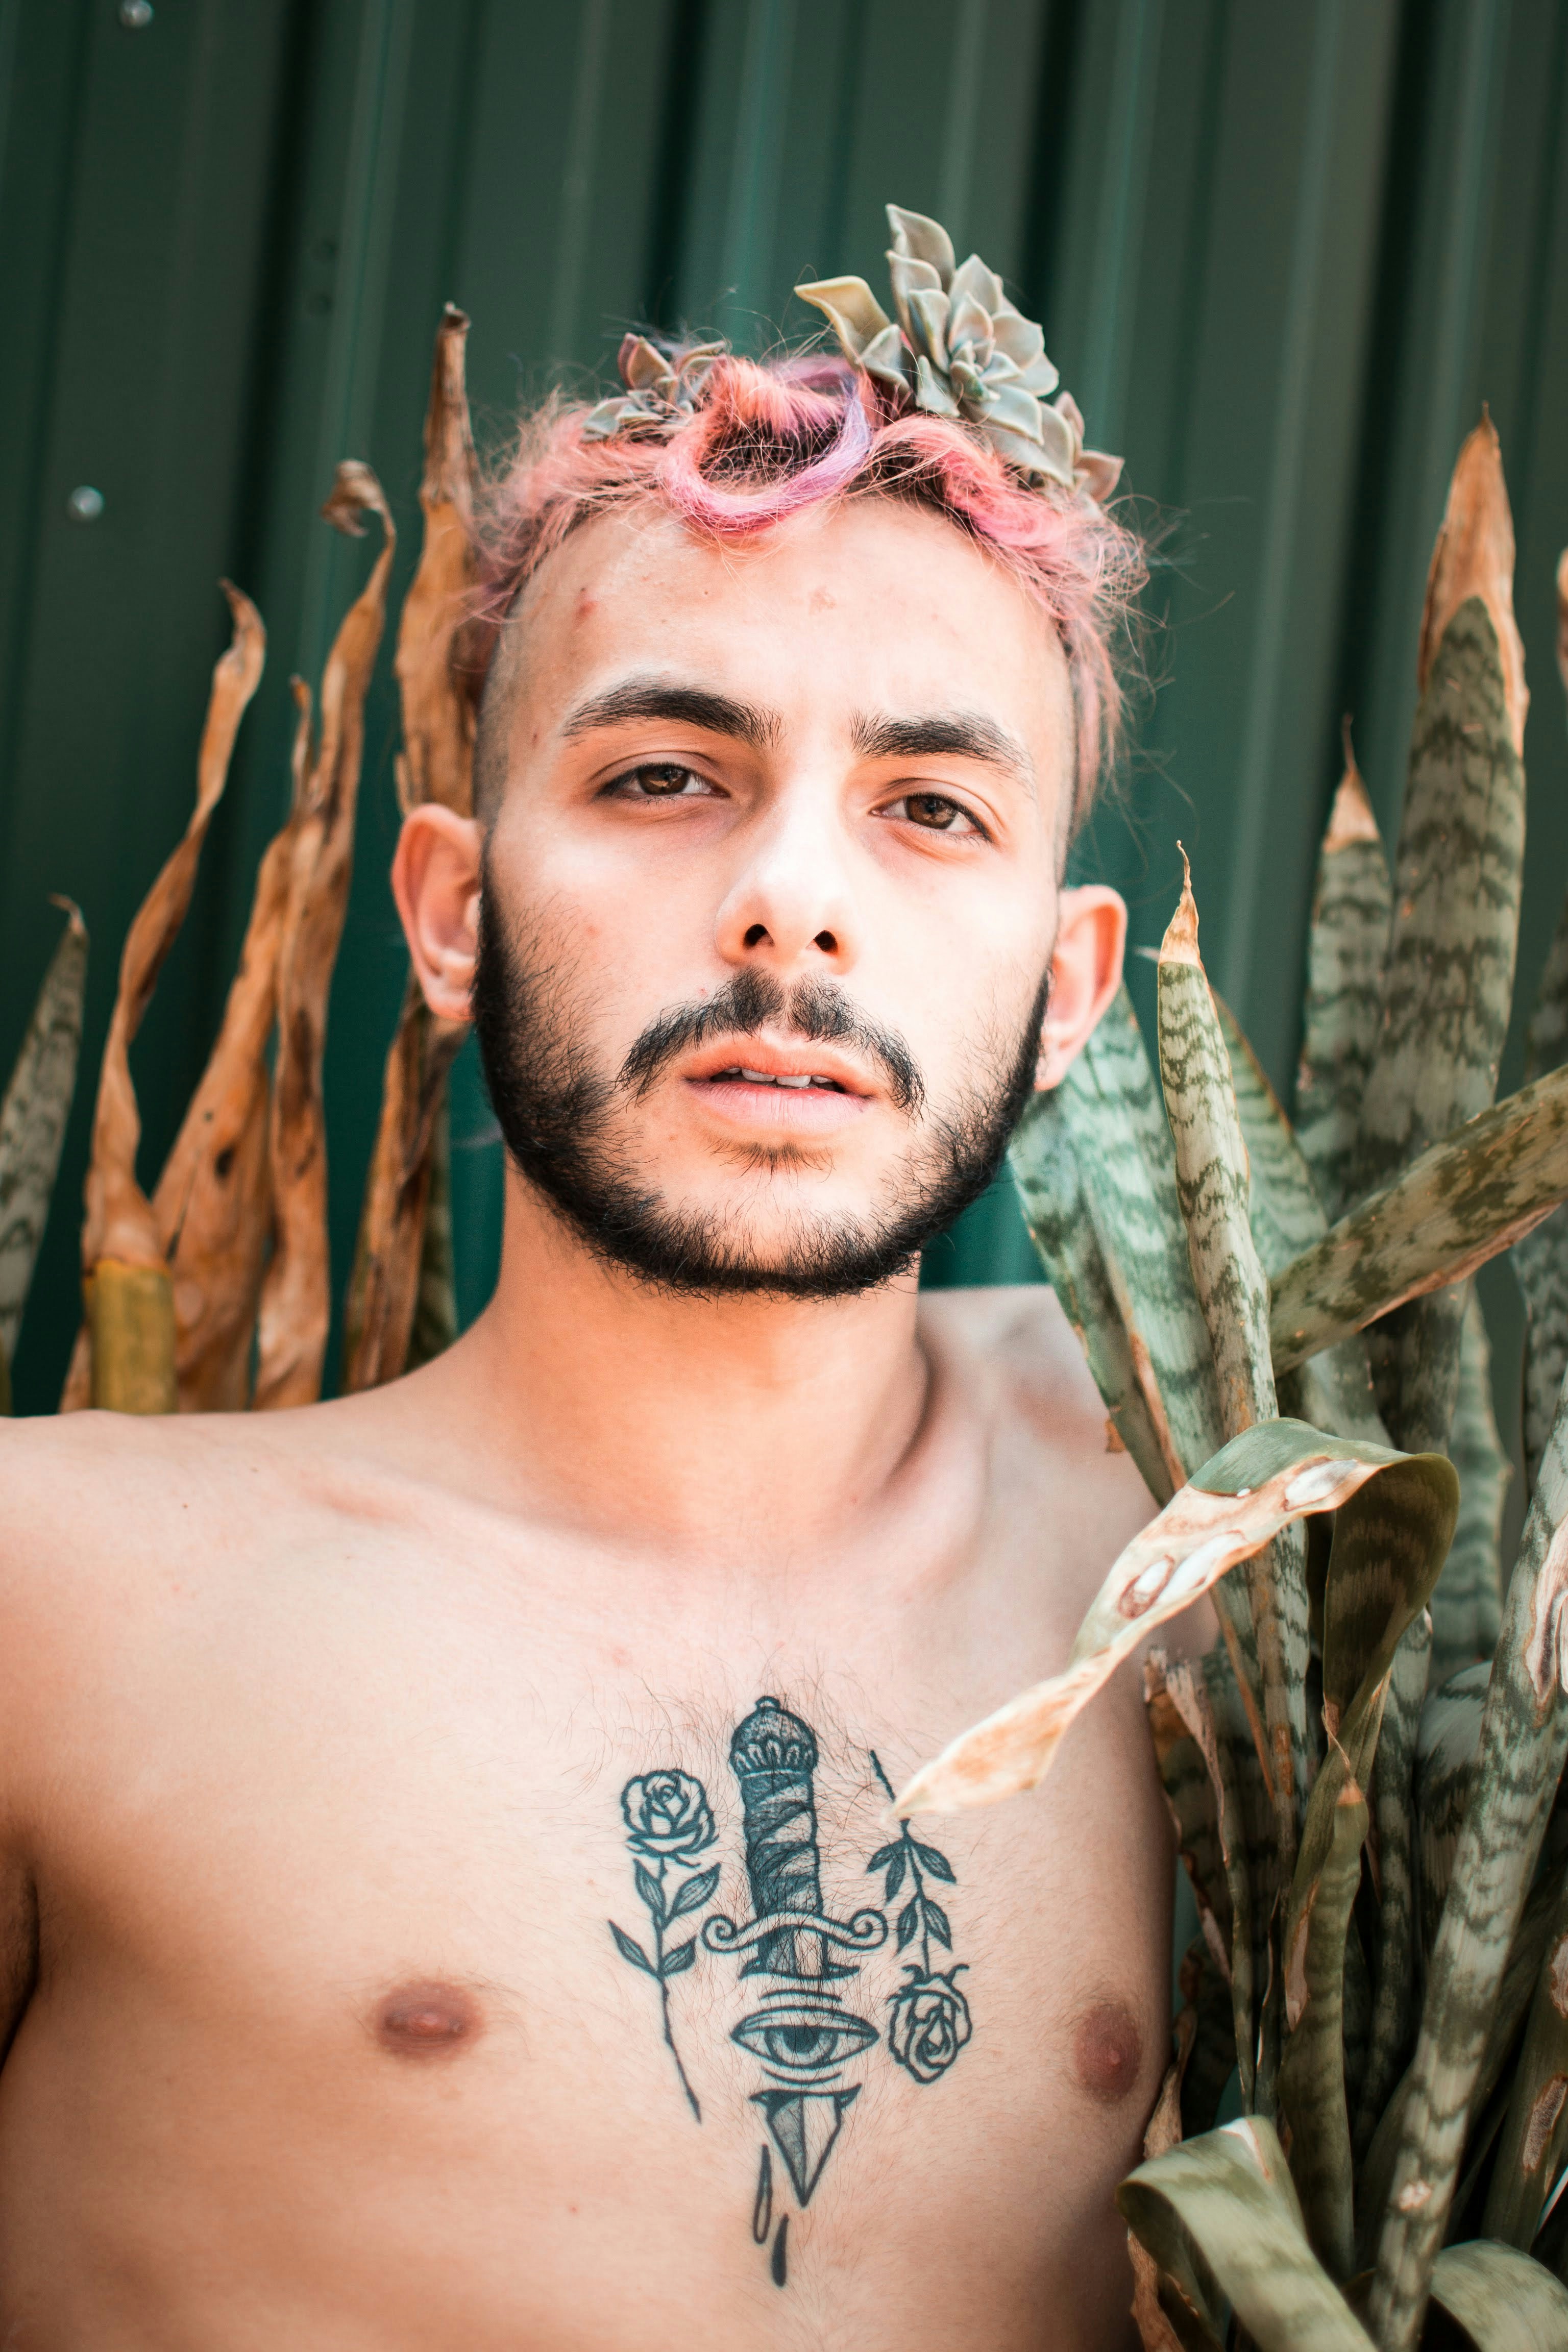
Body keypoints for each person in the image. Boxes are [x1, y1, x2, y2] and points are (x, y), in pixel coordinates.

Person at [0, 209, 1181, 2348]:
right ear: (449, 916)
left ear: (1072, 984)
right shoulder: (55, 1604)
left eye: (930, 808)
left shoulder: (1203, 1558)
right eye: (662, 775)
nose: (790, 903)